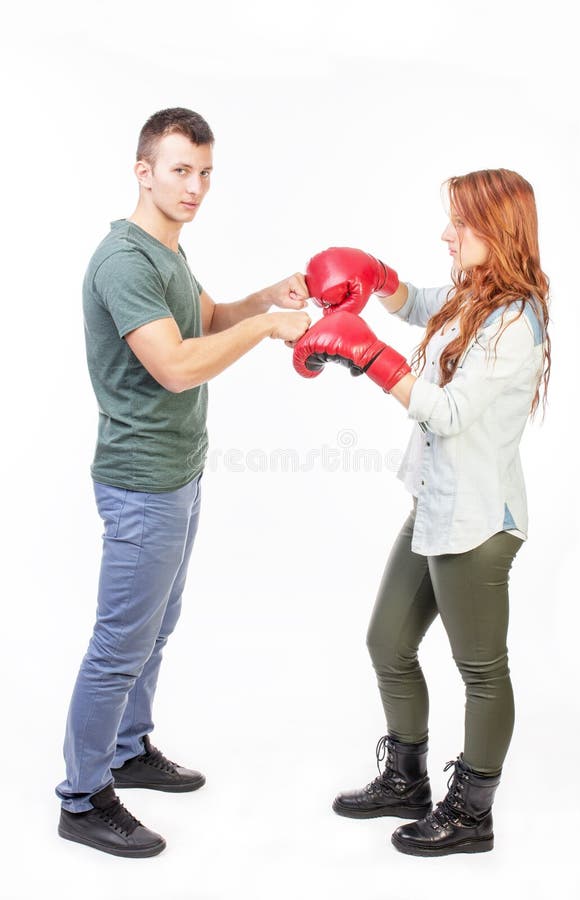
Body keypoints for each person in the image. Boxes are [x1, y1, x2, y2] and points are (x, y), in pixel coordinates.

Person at [56, 107, 311, 858]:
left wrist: (266, 299)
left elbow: (204, 320)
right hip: (141, 485)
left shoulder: (169, 253)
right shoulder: (125, 262)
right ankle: (82, 796)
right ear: (143, 171)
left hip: (179, 475)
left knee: (156, 629)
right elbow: (174, 367)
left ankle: (129, 750)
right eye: (179, 170)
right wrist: (265, 332)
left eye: (204, 173)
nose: (195, 186)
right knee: (118, 644)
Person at [293, 169, 550, 857]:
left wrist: (370, 357)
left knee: (481, 671)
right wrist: (376, 278)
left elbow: (452, 412)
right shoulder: (474, 293)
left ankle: (472, 815)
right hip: (436, 501)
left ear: (496, 231)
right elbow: (419, 308)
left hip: (475, 522)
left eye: (459, 225)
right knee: (387, 641)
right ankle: (405, 781)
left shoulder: (515, 322)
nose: (446, 233)